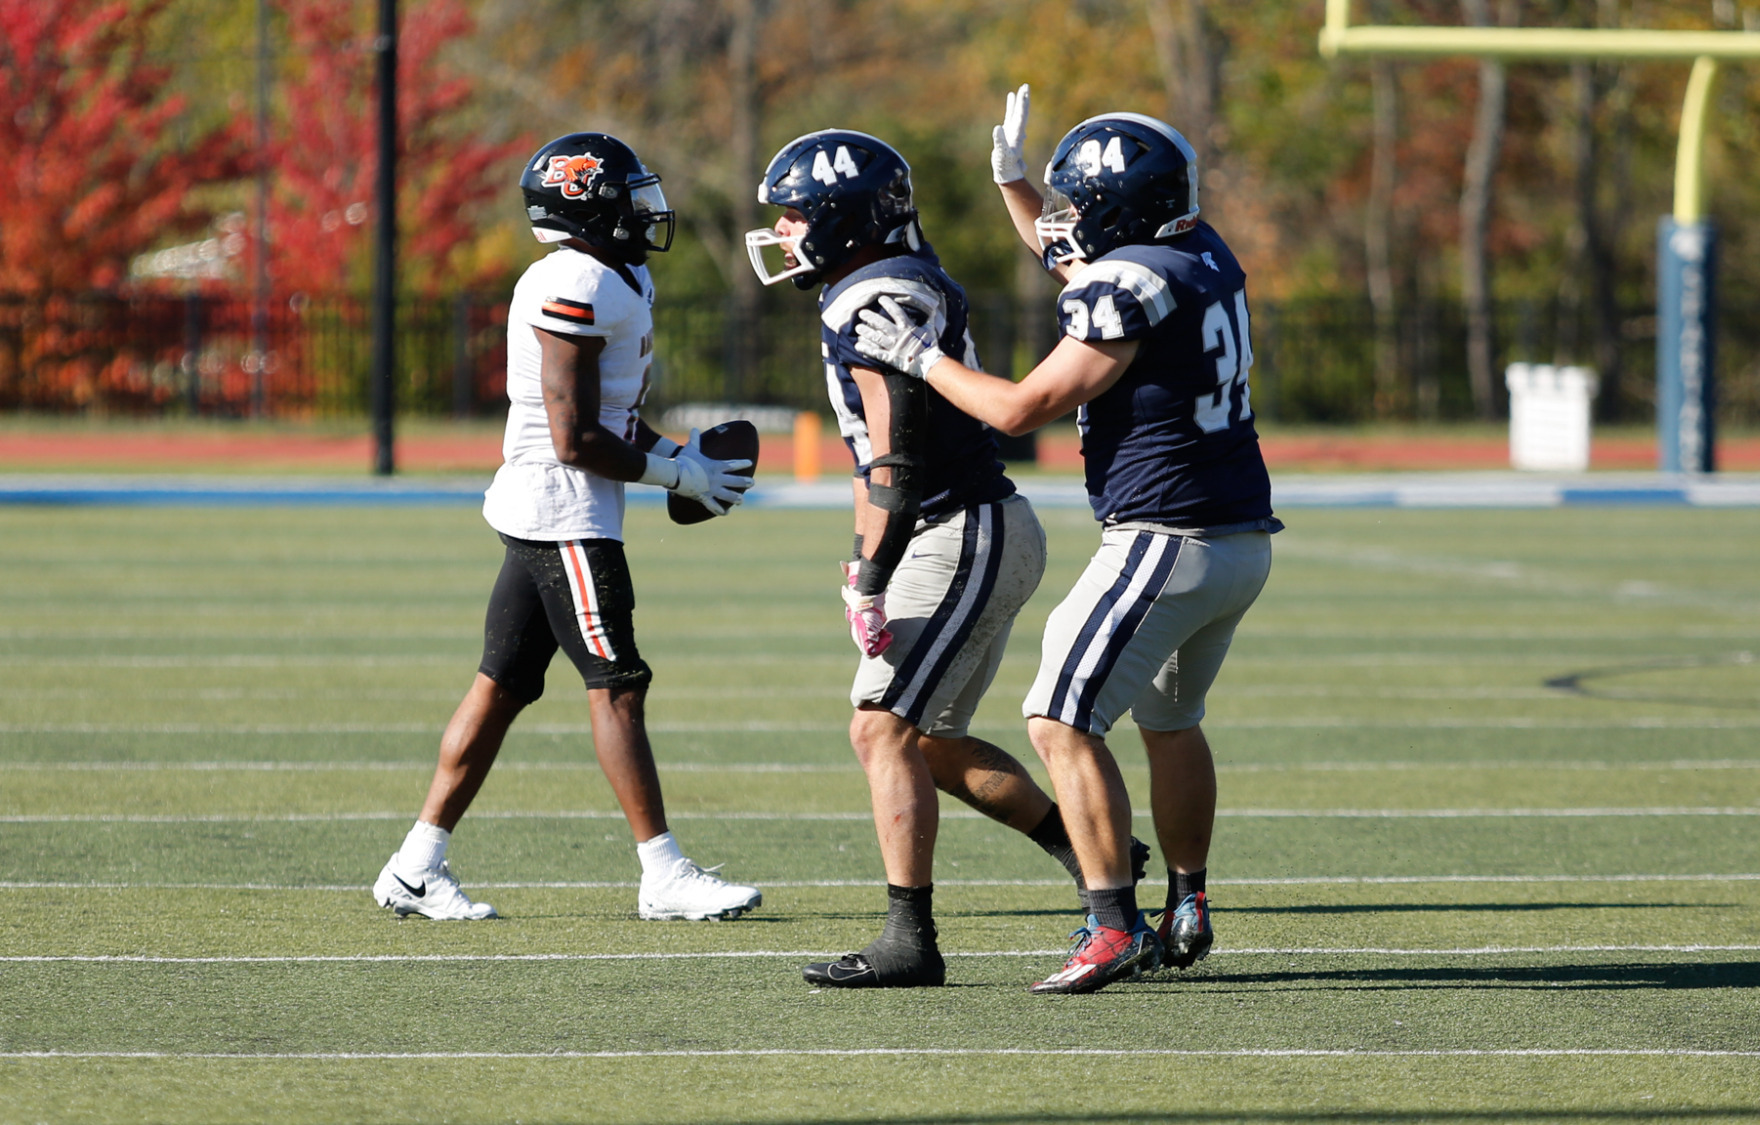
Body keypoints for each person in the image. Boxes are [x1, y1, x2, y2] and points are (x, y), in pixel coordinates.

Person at [853, 91, 1280, 994]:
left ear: (1121, 211)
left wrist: (924, 360)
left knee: (1056, 718)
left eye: (1074, 202)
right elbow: (1078, 259)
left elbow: (1018, 409)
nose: (1060, 221)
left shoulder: (1126, 281)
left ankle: (1113, 924)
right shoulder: (1201, 251)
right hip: (1237, 539)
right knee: (1170, 722)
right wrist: (1014, 181)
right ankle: (1189, 898)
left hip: (1165, 537)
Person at [744, 128, 1148, 987]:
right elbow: (870, 463)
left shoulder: (875, 294)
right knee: (928, 741)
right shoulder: (865, 285)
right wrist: (863, 565)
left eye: (792, 215)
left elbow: (895, 461)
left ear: (840, 220)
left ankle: (909, 939)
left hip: (959, 528)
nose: (781, 232)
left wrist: (874, 572)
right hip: (956, 527)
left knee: (878, 726)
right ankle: (1091, 852)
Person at [372, 132, 761, 923]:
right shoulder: (574, 279)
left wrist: (676, 452)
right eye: (626, 193)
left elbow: (614, 416)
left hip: (559, 505)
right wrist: (678, 475)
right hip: (563, 511)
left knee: (502, 686)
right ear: (586, 204)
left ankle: (414, 867)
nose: (642, 207)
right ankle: (664, 872)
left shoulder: (617, 276)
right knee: (618, 686)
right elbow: (574, 437)